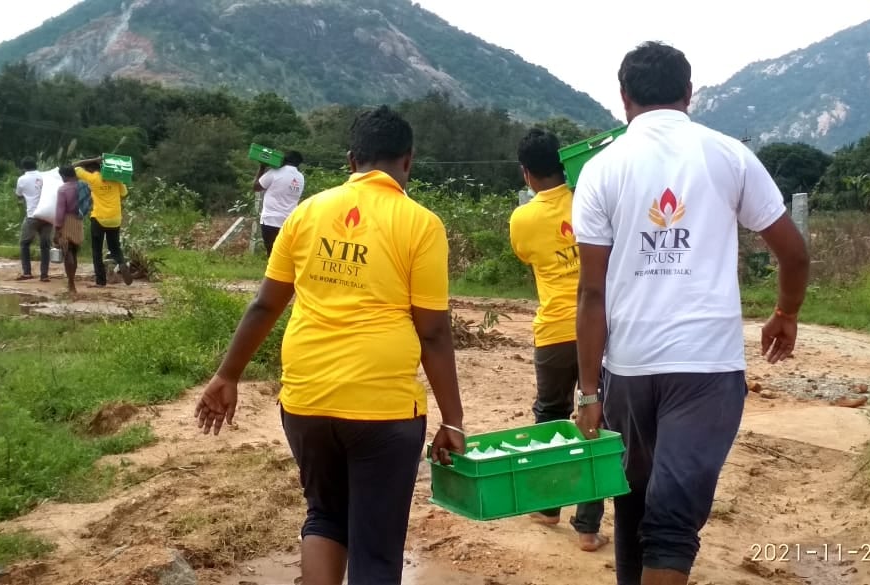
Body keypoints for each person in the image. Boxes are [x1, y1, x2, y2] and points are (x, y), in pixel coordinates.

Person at [195, 106, 466, 585]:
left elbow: (264, 305)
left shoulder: (307, 213)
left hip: (306, 400)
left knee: (325, 515)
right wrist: (453, 420)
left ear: (350, 159)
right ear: (409, 161)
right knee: (377, 552)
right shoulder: (420, 224)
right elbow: (433, 332)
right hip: (382, 410)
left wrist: (227, 375)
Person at [571, 42, 810, 585]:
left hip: (628, 368)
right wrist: (785, 313)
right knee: (673, 519)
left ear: (624, 97)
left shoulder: (601, 169)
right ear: (689, 94)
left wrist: (588, 392)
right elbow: (793, 253)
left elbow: (590, 294)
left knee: (633, 503)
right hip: (706, 370)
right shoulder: (728, 155)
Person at [508, 128, 609, 553]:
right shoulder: (591, 199)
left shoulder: (523, 219)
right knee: (596, 424)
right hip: (600, 331)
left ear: (526, 173)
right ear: (565, 163)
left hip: (552, 333)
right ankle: (588, 528)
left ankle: (548, 507)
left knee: (549, 416)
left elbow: (526, 255)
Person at [72, 157, 132, 287]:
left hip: (99, 218)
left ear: (92, 169)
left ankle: (101, 281)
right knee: (115, 247)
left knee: (97, 250)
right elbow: (124, 193)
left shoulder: (93, 178)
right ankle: (121, 262)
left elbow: (74, 167)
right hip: (115, 218)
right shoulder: (116, 179)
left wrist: (93, 159)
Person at [253, 150, 306, 257]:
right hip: (289, 221)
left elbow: (256, 187)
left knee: (271, 253)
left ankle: (272, 273)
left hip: (271, 219)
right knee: (285, 254)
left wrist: (262, 167)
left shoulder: (274, 172)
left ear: (284, 160)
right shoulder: (300, 177)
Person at [15, 158, 53, 282]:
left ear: (24, 168)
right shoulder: (44, 177)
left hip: (32, 215)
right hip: (47, 215)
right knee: (45, 246)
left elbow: (19, 195)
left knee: (24, 243)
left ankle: (27, 272)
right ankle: (44, 275)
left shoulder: (22, 179)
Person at [54, 166, 85, 295]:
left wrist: (57, 228)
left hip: (66, 221)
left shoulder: (63, 189)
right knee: (74, 252)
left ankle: (71, 284)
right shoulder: (83, 186)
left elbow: (60, 212)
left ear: (64, 176)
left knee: (67, 253)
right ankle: (71, 283)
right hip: (78, 220)